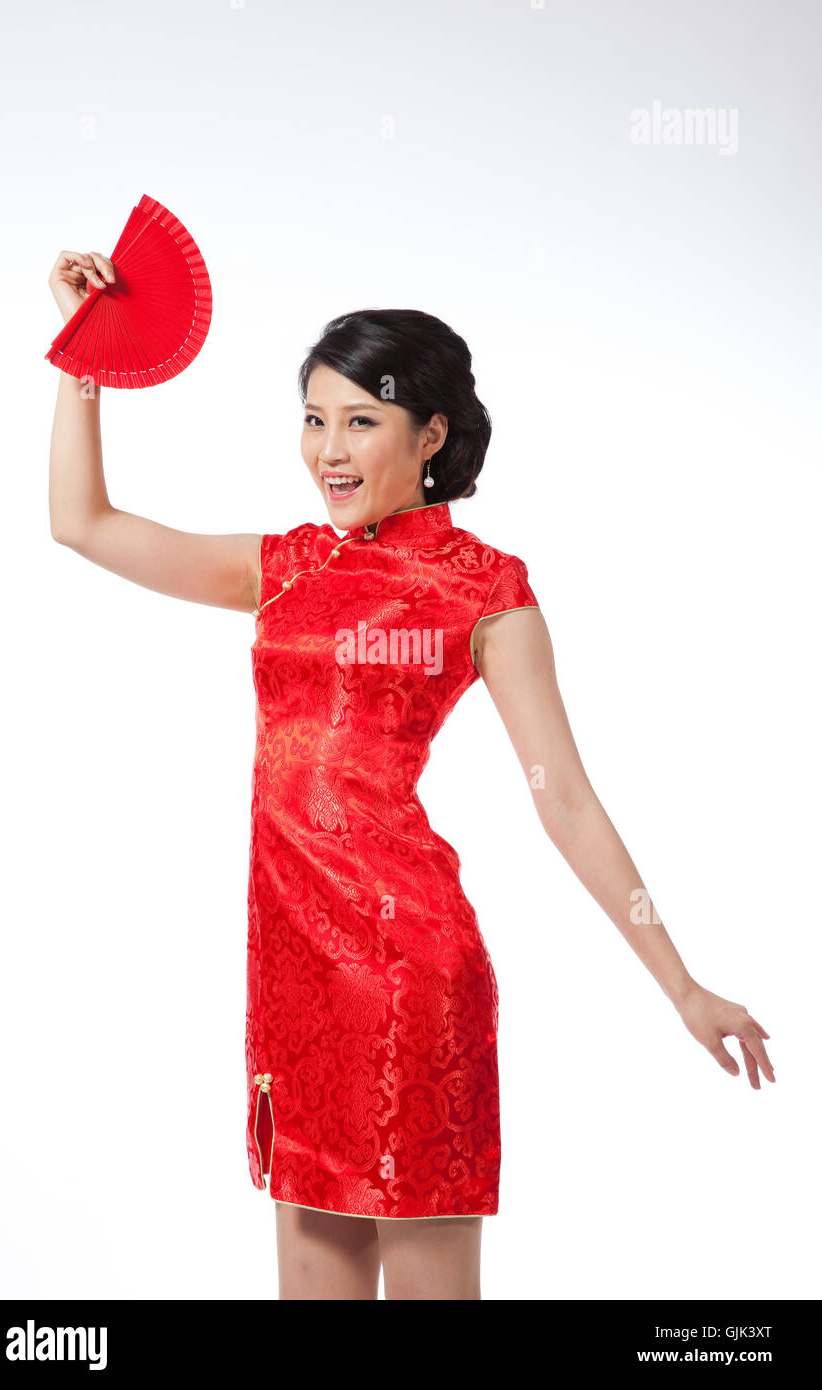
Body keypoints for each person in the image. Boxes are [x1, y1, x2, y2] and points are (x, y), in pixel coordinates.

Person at [48, 250, 776, 1302]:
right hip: (294, 979)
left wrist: (680, 984)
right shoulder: (283, 568)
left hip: (404, 974)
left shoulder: (485, 591)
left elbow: (561, 797)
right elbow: (84, 525)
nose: (326, 450)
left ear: (430, 435)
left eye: (359, 421)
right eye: (312, 418)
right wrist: (86, 359)